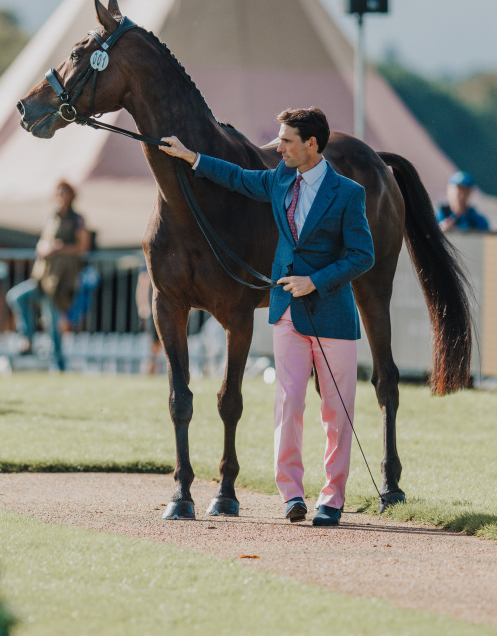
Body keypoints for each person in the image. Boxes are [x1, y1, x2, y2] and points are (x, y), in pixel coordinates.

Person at [160, 107, 374, 528]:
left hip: (332, 315)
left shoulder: (348, 193)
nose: (278, 147)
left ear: (311, 144)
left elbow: (362, 255)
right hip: (287, 315)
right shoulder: (278, 179)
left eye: (287, 141)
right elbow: (238, 178)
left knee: (336, 410)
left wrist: (316, 281)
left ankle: (332, 497)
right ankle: (291, 494)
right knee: (288, 402)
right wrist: (192, 157)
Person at [6, 181, 90, 371]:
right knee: (16, 297)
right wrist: (44, 248)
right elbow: (42, 242)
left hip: (60, 280)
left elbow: (82, 247)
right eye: (59, 192)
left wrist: (60, 249)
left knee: (53, 322)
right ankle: (27, 336)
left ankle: (58, 363)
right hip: (42, 277)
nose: (61, 196)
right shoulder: (52, 217)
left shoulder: (77, 219)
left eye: (65, 192)